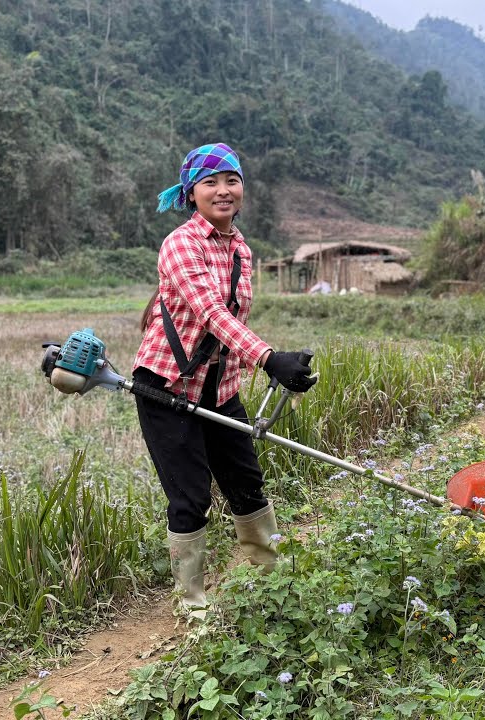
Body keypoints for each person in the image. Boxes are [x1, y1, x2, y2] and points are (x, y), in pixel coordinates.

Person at [132, 143, 315, 617]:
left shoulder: (242, 250)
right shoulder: (181, 244)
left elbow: (229, 323)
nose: (223, 190)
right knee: (190, 498)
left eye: (231, 180)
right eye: (210, 182)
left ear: (242, 188)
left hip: (221, 391)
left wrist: (274, 368)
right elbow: (210, 313)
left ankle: (273, 586)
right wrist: (270, 357)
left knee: (247, 484)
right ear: (191, 193)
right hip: (166, 387)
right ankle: (194, 609)